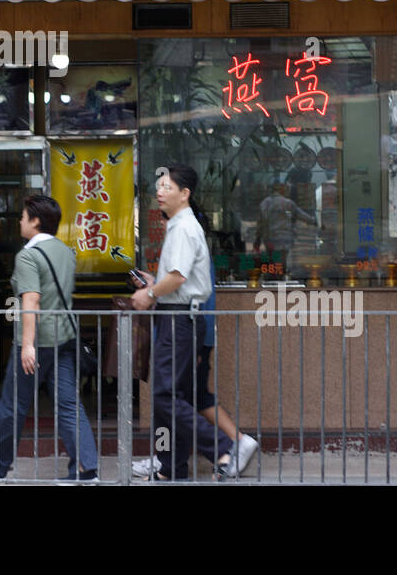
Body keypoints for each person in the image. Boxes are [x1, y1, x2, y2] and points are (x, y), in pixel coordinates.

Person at [0, 194, 100, 483]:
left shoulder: (28, 255)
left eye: (23, 216)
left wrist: (27, 345)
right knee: (68, 404)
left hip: (37, 342)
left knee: (12, 405)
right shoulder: (65, 251)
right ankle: (86, 468)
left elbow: (31, 301)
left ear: (36, 221)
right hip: (64, 338)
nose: (20, 221)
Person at [130, 164, 239, 481]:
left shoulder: (183, 227)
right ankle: (171, 466)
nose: (159, 192)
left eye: (167, 187)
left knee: (165, 396)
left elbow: (178, 277)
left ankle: (221, 447)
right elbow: (176, 276)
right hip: (178, 316)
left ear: (185, 193)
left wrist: (150, 292)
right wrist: (156, 284)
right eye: (159, 186)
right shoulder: (181, 226)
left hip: (177, 318)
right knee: (172, 396)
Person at [132, 285, 259, 477]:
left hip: (183, 334)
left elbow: (186, 287)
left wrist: (151, 292)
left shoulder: (189, 259)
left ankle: (223, 446)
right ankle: (168, 462)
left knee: (168, 400)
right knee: (172, 402)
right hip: (177, 334)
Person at [255, 182, 315, 277]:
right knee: (282, 263)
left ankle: (274, 280)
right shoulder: (287, 203)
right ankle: (281, 281)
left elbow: (260, 223)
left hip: (270, 239)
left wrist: (258, 239)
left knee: (272, 262)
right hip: (284, 239)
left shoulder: (264, 203)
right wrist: (315, 222)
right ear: (282, 190)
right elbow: (301, 215)